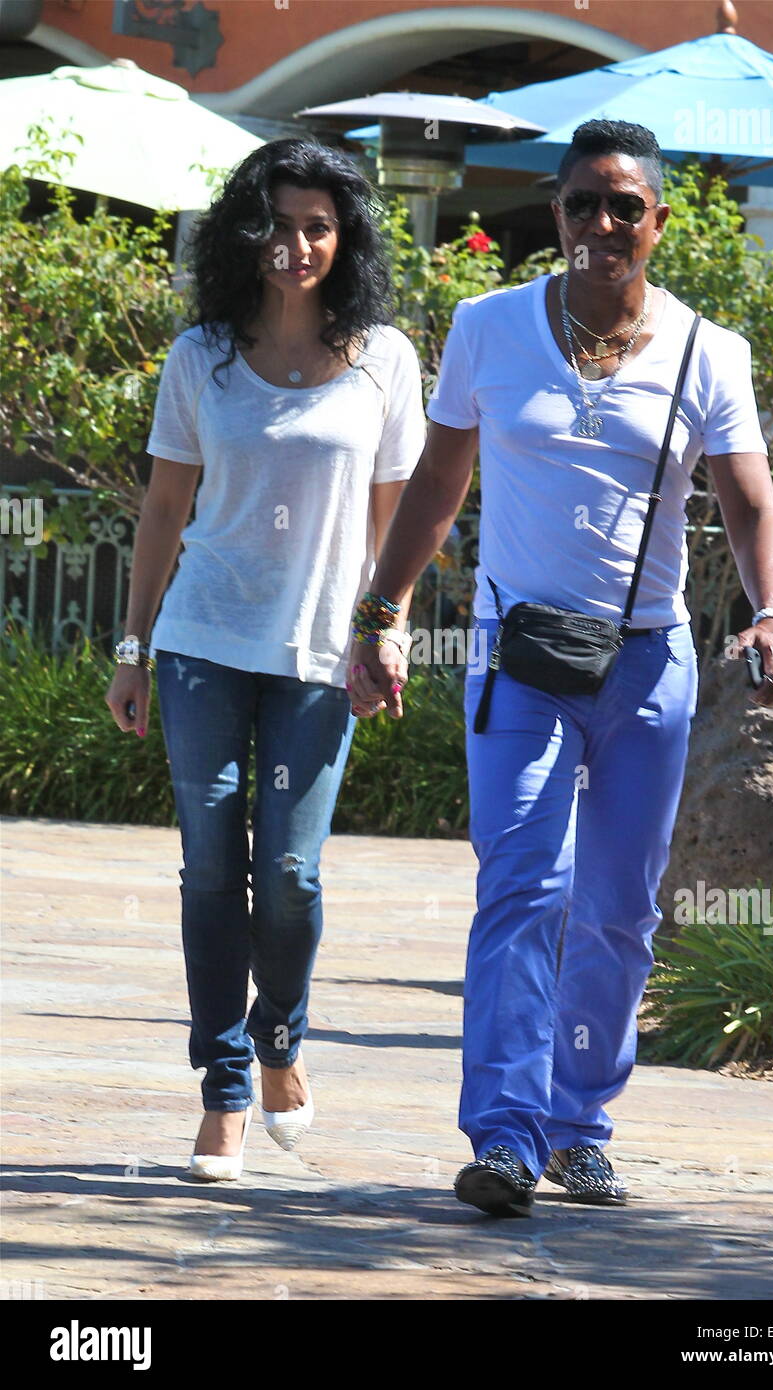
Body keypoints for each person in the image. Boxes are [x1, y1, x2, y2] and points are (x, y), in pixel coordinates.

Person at [348, 120, 773, 1216]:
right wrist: (380, 608)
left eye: (623, 207)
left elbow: (748, 506)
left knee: (616, 910)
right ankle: (503, 1135)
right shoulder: (488, 328)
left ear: (655, 220)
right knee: (522, 887)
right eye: (579, 205)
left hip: (646, 669)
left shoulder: (708, 351)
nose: (601, 225)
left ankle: (576, 1121)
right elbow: (437, 487)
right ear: (552, 216)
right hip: (516, 656)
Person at [106, 138, 425, 1181]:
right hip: (202, 639)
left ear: (346, 239)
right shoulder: (200, 354)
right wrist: (131, 644)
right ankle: (225, 1086)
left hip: (319, 650)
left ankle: (281, 1035)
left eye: (318, 226)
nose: (296, 244)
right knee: (211, 868)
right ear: (248, 231)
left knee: (288, 872)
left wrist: (390, 624)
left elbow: (400, 520)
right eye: (278, 223)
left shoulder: (384, 357)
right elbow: (163, 506)